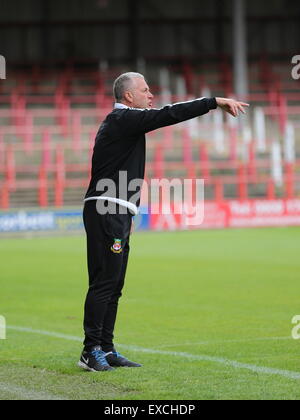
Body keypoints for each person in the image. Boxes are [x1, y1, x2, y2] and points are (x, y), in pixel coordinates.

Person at [78, 72, 249, 372]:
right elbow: (170, 114)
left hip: (117, 209)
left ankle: (106, 347)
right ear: (128, 96)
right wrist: (213, 102)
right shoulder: (123, 119)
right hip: (107, 208)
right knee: (105, 282)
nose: (151, 94)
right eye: (145, 90)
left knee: (114, 284)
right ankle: (90, 351)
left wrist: (128, 210)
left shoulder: (125, 124)